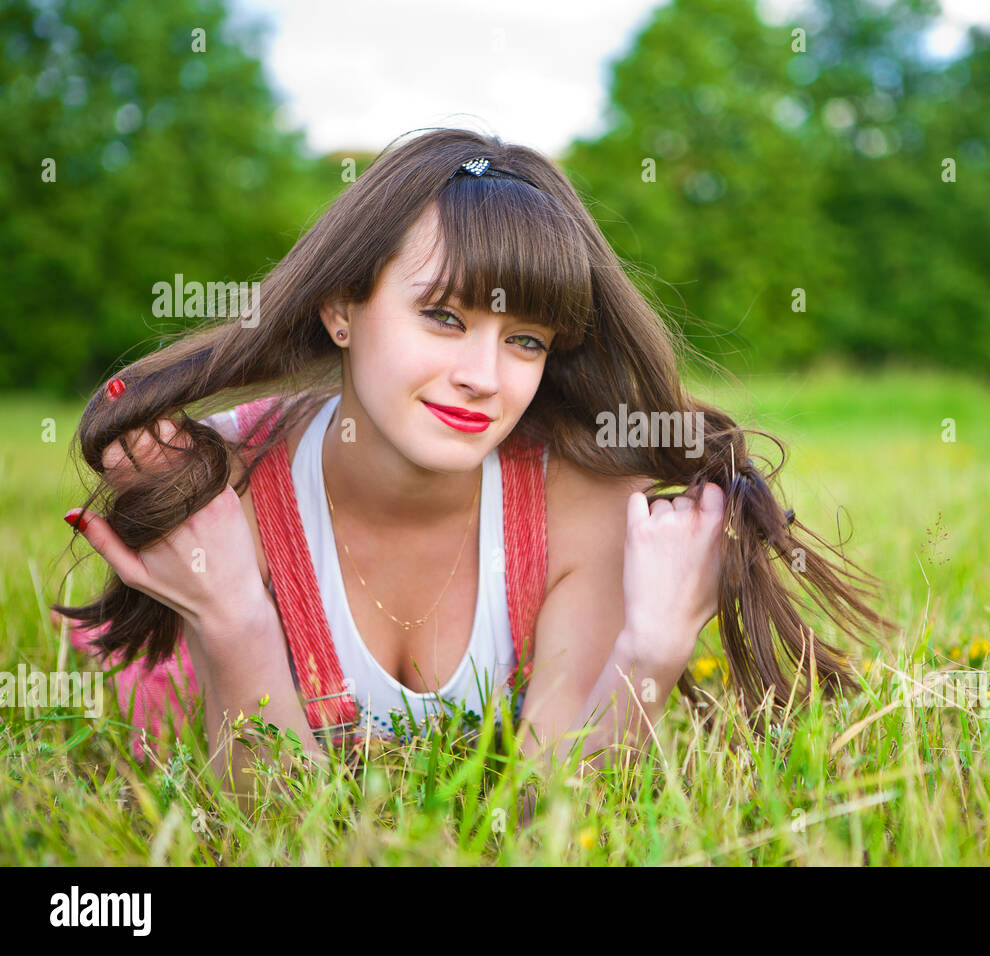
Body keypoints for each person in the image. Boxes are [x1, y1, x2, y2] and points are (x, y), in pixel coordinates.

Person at [51, 128, 894, 800]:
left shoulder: (588, 508)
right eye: (444, 318)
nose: (484, 378)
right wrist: (232, 618)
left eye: (524, 339)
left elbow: (556, 813)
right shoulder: (224, 483)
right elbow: (261, 821)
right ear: (341, 306)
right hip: (168, 692)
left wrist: (654, 647)